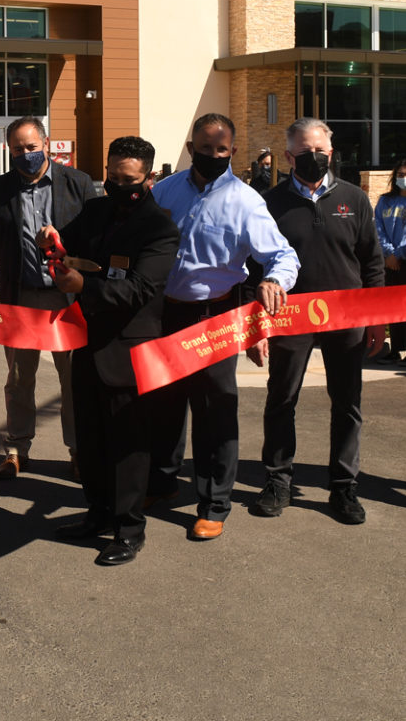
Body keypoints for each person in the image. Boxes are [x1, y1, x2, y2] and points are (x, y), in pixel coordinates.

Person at [146, 113, 299, 540]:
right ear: (190, 148)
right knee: (164, 405)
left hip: (214, 316)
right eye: (204, 148)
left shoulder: (245, 201)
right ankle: (161, 481)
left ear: (232, 151)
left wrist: (273, 280)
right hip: (166, 314)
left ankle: (214, 503)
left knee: (214, 412)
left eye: (221, 149)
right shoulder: (165, 191)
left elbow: (283, 256)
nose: (213, 155)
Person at [45, 136, 179, 565]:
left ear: (149, 178)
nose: (119, 186)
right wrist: (53, 242)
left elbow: (139, 290)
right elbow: (68, 244)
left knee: (128, 445)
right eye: (113, 177)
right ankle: (98, 513)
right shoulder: (96, 209)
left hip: (131, 351)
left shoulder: (160, 228)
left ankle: (129, 529)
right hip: (88, 342)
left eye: (129, 180)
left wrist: (84, 285)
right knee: (91, 439)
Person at [253, 119, 385, 525]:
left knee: (347, 403)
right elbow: (253, 265)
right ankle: (278, 481)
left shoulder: (354, 198)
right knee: (281, 399)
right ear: (289, 156)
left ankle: (344, 486)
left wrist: (377, 318)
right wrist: (258, 326)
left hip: (346, 315)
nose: (316, 158)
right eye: (306, 152)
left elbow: (371, 260)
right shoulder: (269, 203)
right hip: (289, 315)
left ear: (331, 152)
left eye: (322, 151)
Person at [0, 115, 93, 479]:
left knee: (73, 380)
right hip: (22, 298)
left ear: (46, 144)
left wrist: (63, 244)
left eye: (31, 147)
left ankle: (79, 450)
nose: (25, 154)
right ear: (8, 150)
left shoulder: (77, 183)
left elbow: (95, 239)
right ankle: (16, 449)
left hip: (67, 301)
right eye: (17, 149)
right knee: (18, 379)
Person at [374, 158, 406, 364]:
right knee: (392, 306)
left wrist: (399, 253)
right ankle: (395, 349)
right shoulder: (385, 201)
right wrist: (389, 253)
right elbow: (378, 228)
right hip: (389, 262)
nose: (404, 178)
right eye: (400, 175)